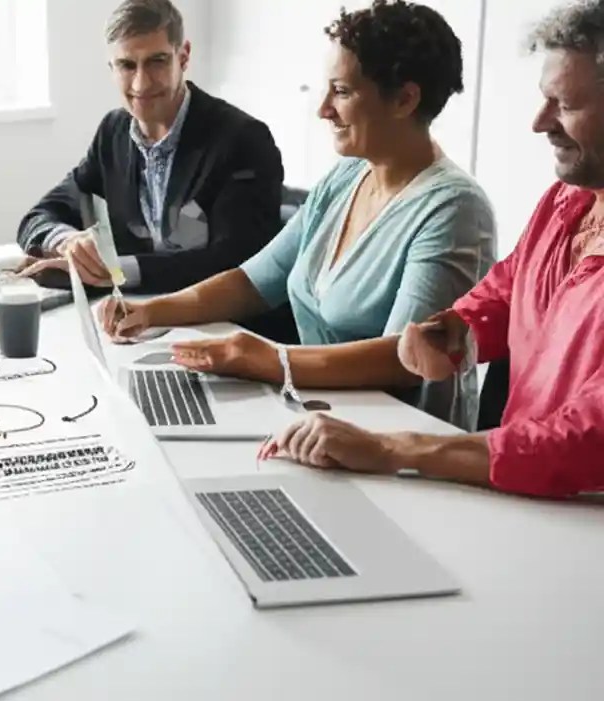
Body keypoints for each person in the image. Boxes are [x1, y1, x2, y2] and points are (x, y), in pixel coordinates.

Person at [260, 0, 604, 498]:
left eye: (565, 105)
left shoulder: (455, 201)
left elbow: (585, 440)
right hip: (520, 491)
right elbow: (507, 292)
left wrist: (395, 449)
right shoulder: (565, 201)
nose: (539, 122)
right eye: (544, 99)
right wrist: (455, 327)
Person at [100, 0, 496, 427]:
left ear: (404, 99)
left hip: (396, 437)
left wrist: (272, 360)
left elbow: (403, 360)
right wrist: (151, 311)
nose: (323, 108)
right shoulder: (347, 177)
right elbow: (253, 281)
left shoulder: (454, 209)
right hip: (321, 417)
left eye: (341, 92)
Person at [17, 0, 296, 341]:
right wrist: (68, 243)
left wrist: (116, 269)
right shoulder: (114, 132)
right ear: (111, 67)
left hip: (233, 333)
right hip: (140, 326)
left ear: (184, 56)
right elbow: (39, 216)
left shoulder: (242, 139)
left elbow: (236, 265)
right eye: (126, 65)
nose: (141, 83)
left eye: (157, 61)